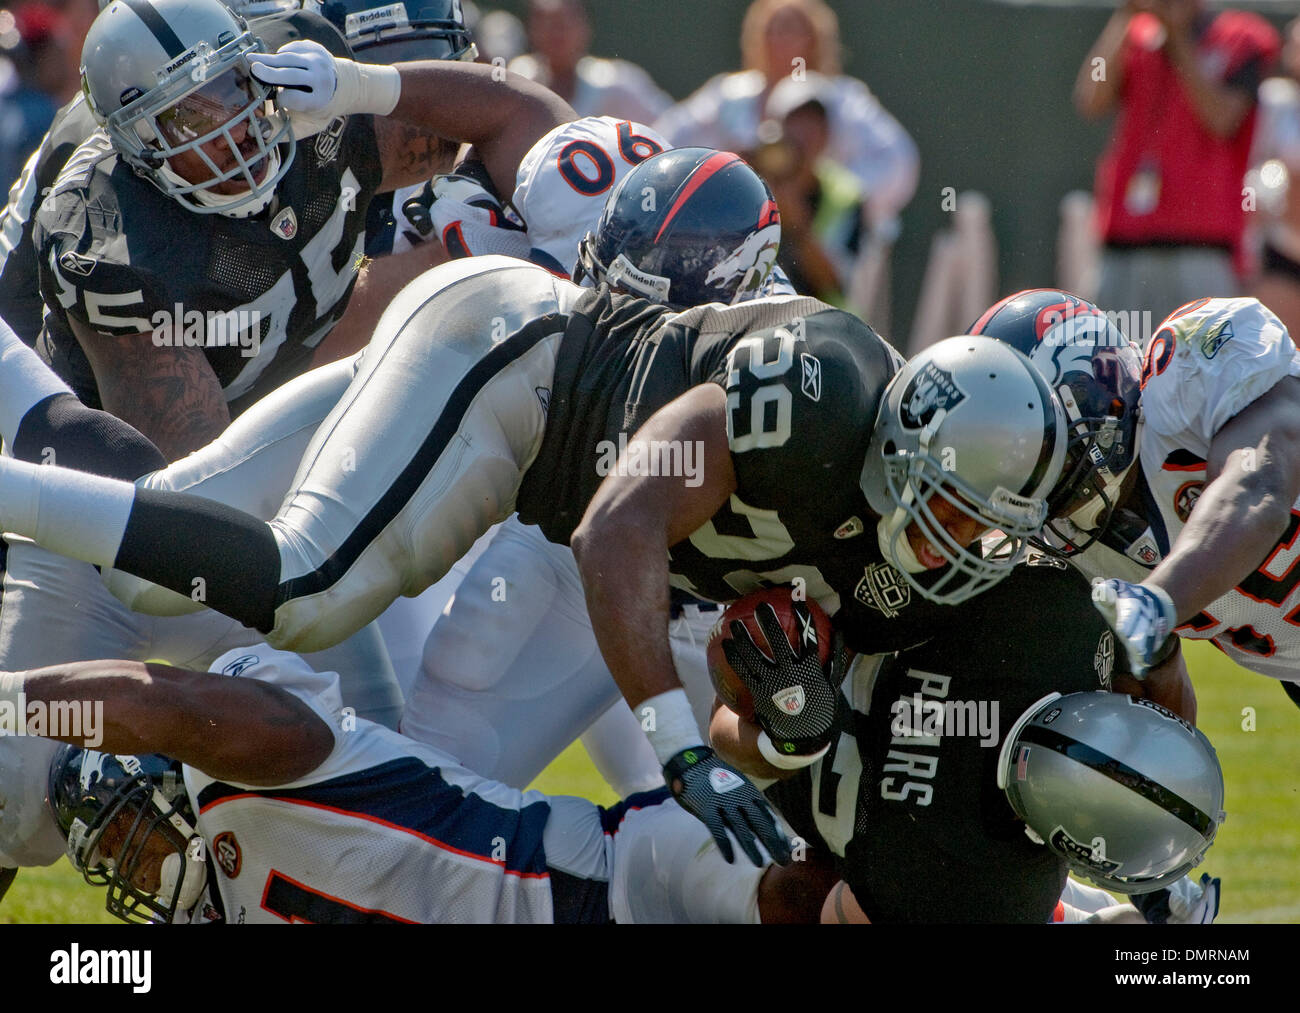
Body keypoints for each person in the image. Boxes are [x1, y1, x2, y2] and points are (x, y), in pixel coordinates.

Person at [0, 238, 1069, 868]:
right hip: (517, 372)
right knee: (304, 589)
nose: (963, 543)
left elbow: (747, 712)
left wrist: (784, 719)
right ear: (904, 451)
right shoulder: (827, 389)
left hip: (504, 425)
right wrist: (680, 747)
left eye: (988, 526)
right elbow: (619, 526)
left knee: (139, 559)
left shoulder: (888, 574)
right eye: (954, 509)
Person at [33, 0, 567, 458]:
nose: (231, 124)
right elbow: (200, 498)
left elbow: (526, 118)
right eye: (191, 119)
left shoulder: (314, 118)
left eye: (233, 86)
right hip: (100, 532)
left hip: (290, 403)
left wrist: (363, 85)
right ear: (138, 144)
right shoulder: (116, 246)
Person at [11, 644, 815, 923]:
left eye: (128, 841)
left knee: (795, 899)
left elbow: (169, 706)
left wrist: (11, 701)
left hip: (600, 881)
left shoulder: (245, 763)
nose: (138, 874)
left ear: (169, 788)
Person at [709, 563, 1225, 923]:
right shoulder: (1051, 616)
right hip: (757, 777)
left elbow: (724, 724)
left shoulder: (1056, 619)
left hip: (762, 809)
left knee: (790, 895)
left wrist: (781, 743)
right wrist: (1160, 654)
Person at [969, 289, 1300, 712]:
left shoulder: (1185, 370)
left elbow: (1261, 488)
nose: (1024, 474)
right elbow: (1167, 721)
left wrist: (1159, 600)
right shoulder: (1068, 543)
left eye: (1030, 441)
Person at [1074, 0, 1279, 325]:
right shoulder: (1135, 35)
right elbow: (1090, 98)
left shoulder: (1241, 37)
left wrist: (1178, 38)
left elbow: (1222, 119)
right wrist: (1125, 15)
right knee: (1117, 365)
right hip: (1126, 242)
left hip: (1201, 247)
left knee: (1204, 366)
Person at [654, 0, 918, 233]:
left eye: (792, 28)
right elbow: (666, 143)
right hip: (738, 231)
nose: (781, 38)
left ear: (815, 37)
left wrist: (834, 205)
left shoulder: (842, 99)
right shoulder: (730, 95)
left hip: (823, 243)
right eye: (772, 28)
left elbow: (897, 162)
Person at [509, 0, 672, 126]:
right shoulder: (516, 78)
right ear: (530, 28)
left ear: (585, 28)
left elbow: (669, 132)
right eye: (545, 21)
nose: (556, 32)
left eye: (565, 22)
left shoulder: (616, 84)